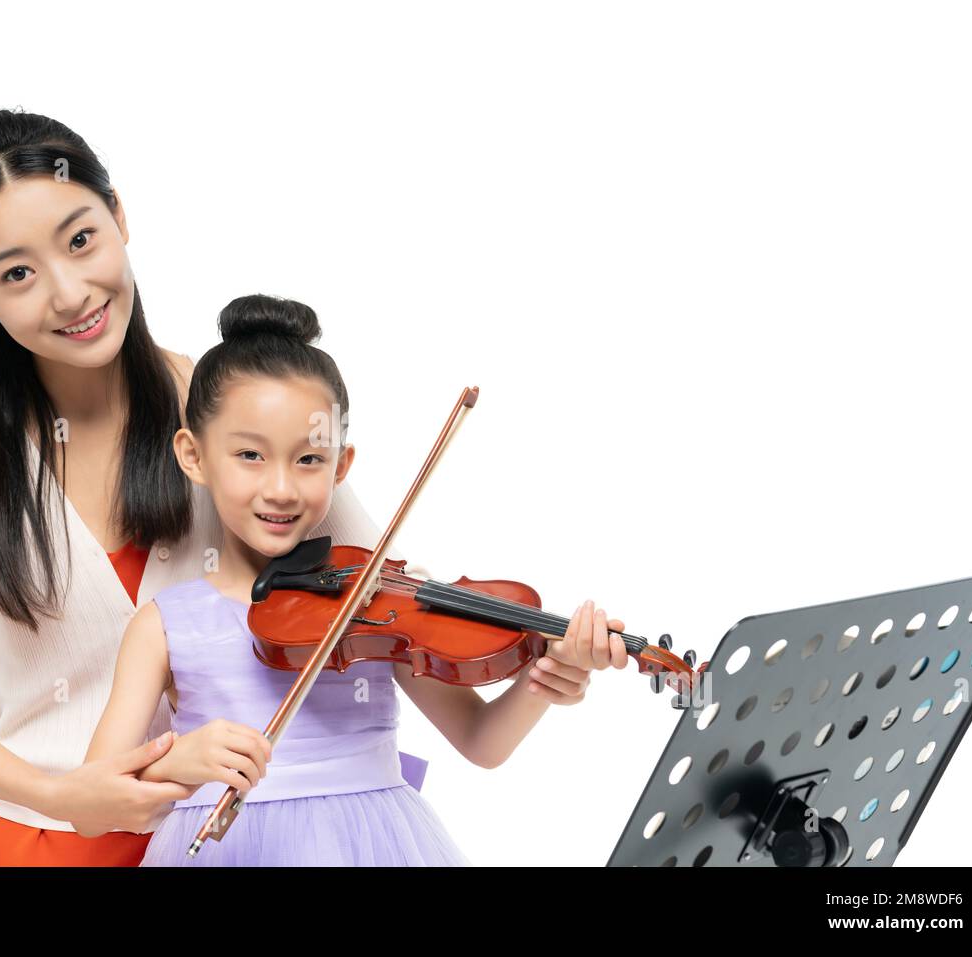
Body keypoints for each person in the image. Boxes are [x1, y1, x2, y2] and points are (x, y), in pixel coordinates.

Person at [0, 109, 455, 865]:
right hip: (28, 837)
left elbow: (376, 582)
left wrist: (529, 656)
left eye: (81, 239)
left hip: (219, 838)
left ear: (118, 216)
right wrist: (61, 793)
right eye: (17, 273)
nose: (70, 293)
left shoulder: (229, 410)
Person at [75, 294, 628, 865]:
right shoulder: (165, 623)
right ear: (193, 456)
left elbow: (482, 741)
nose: (282, 488)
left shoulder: (376, 601)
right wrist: (178, 762)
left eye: (309, 459)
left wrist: (549, 672)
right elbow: (88, 808)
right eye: (250, 455)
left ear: (342, 465)